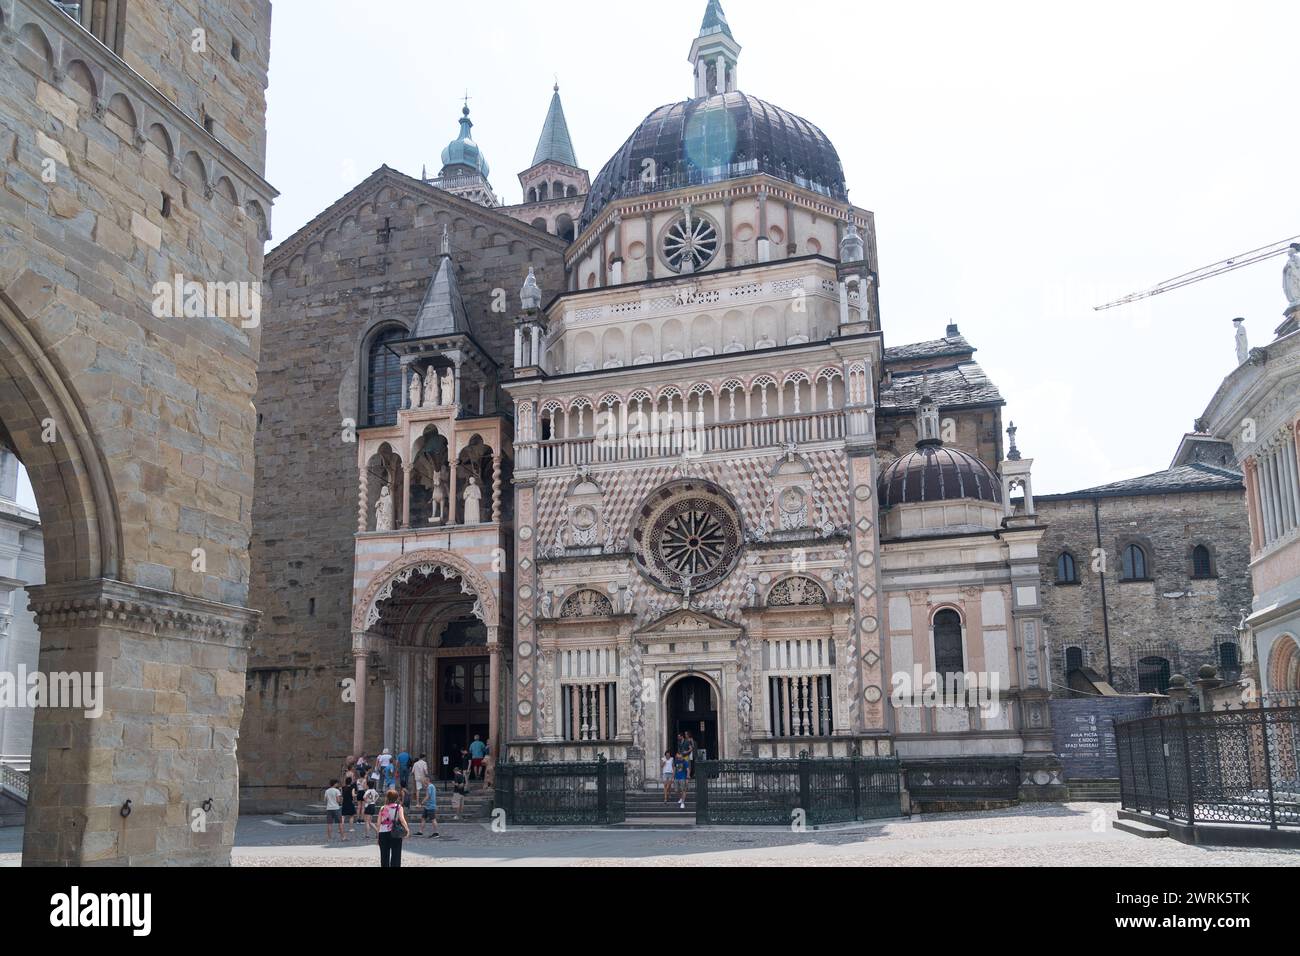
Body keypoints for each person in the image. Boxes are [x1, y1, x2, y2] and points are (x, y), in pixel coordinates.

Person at [376, 788, 410, 867]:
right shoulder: (399, 807)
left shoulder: (382, 808)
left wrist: (378, 836)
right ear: (397, 798)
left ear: (387, 797)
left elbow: (378, 823)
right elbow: (402, 819)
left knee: (384, 856)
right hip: (395, 833)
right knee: (396, 854)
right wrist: (407, 829)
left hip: (383, 833)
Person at [340, 774, 357, 839]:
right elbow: (353, 795)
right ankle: (351, 828)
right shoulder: (352, 788)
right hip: (350, 802)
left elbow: (341, 795)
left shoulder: (342, 788)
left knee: (343, 816)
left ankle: (341, 827)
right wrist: (356, 794)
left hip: (344, 802)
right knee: (351, 816)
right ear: (350, 782)